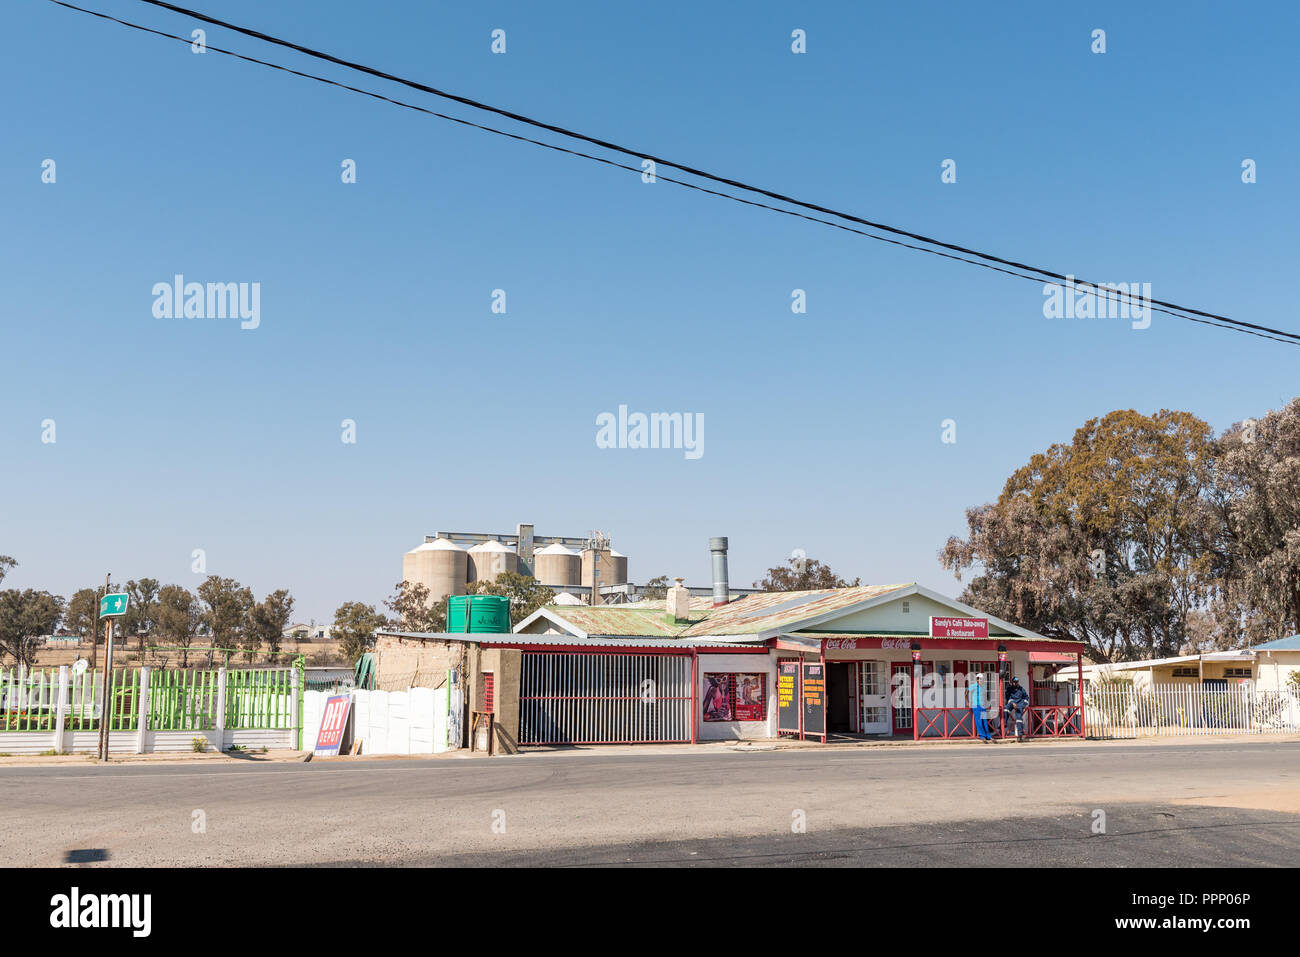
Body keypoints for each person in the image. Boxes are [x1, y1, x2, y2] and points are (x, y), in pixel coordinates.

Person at [1005, 675, 1030, 742]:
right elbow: (1008, 697)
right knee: (1006, 709)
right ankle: (1004, 724)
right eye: (1014, 682)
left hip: (1019, 705)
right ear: (1012, 682)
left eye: (1016, 682)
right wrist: (1013, 703)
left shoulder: (1021, 689)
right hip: (1012, 703)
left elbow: (1026, 697)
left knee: (1019, 719)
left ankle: (1020, 735)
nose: (1015, 683)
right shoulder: (1009, 689)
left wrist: (1023, 705)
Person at [970, 673, 992, 742]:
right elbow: (966, 692)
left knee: (985, 721)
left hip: (983, 705)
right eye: (980, 679)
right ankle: (982, 736)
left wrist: (987, 703)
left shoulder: (984, 686)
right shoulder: (973, 686)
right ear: (977, 679)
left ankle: (988, 736)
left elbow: (985, 695)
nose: (981, 680)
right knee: (979, 721)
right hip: (976, 705)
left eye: (982, 679)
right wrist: (968, 702)